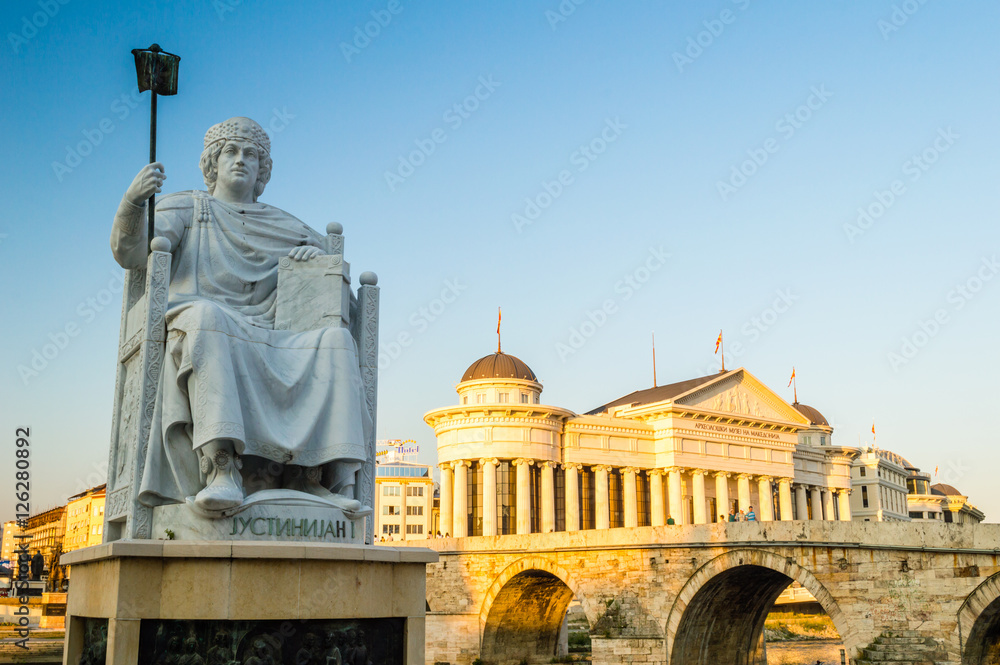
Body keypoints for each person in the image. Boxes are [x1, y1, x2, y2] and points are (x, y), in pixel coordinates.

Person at [113, 117, 370, 515]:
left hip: (271, 330)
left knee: (335, 340)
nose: (241, 160)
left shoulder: (285, 224)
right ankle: (221, 468)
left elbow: (334, 274)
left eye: (251, 155)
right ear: (212, 163)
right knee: (209, 319)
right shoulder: (187, 207)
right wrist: (132, 203)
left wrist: (316, 259)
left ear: (262, 170)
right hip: (201, 320)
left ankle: (311, 478)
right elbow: (130, 255)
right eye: (230, 152)